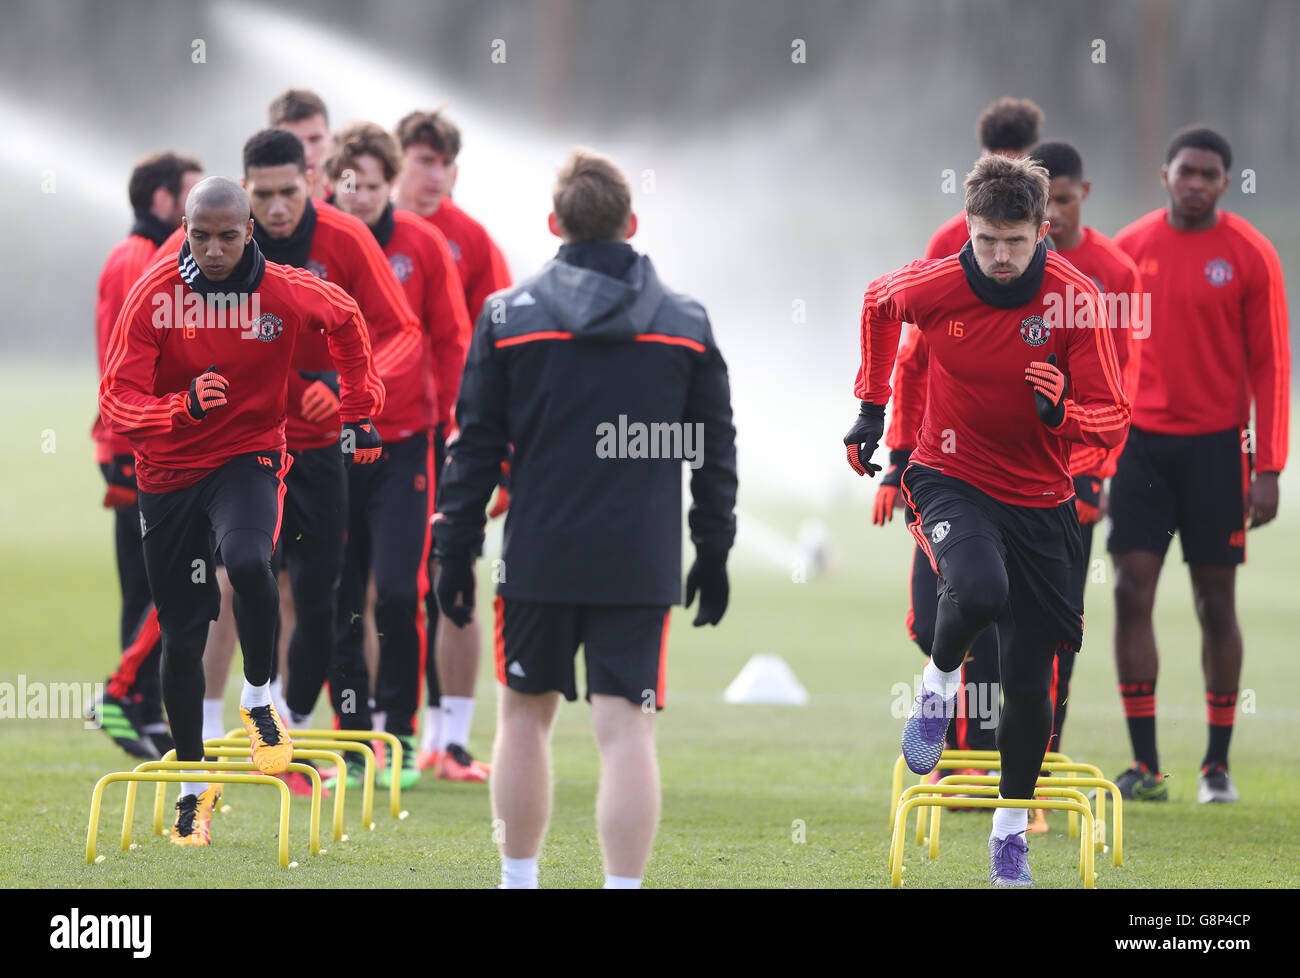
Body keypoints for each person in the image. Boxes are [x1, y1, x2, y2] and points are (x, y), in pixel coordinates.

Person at [433, 148, 737, 888]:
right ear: (631, 224)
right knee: (626, 728)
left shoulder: (506, 317)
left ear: (554, 224)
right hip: (640, 560)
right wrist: (713, 549)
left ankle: (518, 881)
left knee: (522, 718)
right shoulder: (687, 322)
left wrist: (453, 547)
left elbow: (474, 448)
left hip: (538, 553)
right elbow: (714, 449)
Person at [847, 153, 1129, 886]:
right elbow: (877, 303)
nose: (1000, 257)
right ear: (968, 228)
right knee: (977, 591)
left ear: (1044, 231)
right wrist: (871, 409)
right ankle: (937, 690)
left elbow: (1115, 417)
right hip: (951, 475)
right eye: (986, 240)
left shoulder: (1076, 300)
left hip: (1041, 499)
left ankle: (1010, 838)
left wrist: (1062, 414)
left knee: (1030, 682)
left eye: (1015, 241)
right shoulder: (938, 284)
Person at [99, 176, 384, 846]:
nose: (214, 249)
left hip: (248, 455)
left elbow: (346, 317)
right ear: (185, 231)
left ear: (250, 232)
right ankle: (191, 792)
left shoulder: (283, 289)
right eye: (200, 236)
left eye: (228, 236)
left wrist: (359, 409)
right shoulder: (154, 295)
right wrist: (181, 407)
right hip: (168, 472)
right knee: (182, 637)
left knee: (251, 561)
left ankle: (259, 699)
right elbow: (116, 401)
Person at [154, 131, 423, 790]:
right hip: (232, 453)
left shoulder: (345, 238)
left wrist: (346, 395)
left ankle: (291, 727)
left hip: (318, 450)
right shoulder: (203, 237)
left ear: (313, 182)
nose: (277, 208)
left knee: (320, 599)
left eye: (290, 193)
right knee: (230, 585)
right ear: (245, 192)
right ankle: (211, 736)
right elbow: (152, 328)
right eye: (264, 194)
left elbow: (400, 332)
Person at [1109, 126, 1290, 803]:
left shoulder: (1250, 254)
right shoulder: (1130, 249)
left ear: (1225, 183)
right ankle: (1147, 766)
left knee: (1215, 603)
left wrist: (1269, 467)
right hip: (1139, 447)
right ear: (1165, 176)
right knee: (1129, 591)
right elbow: (1099, 354)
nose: (1195, 184)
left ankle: (1216, 764)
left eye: (1209, 175)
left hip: (1219, 449)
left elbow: (1273, 364)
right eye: (1185, 171)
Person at [874, 97, 1045, 768]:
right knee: (945, 614)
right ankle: (959, 730)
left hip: (1037, 474)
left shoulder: (1071, 269)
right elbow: (914, 354)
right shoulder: (951, 243)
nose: (1001, 252)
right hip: (949, 463)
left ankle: (1005, 774)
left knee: (1028, 634)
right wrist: (897, 455)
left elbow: (1104, 384)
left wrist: (1092, 464)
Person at [324, 121, 472, 787]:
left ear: (392, 185)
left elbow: (452, 340)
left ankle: (402, 734)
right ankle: (353, 738)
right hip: (328, 448)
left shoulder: (422, 244)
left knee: (398, 592)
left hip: (406, 444)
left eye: (372, 185)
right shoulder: (317, 242)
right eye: (348, 184)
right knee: (340, 595)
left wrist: (459, 429)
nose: (358, 196)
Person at [393, 108, 512, 780]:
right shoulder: (365, 233)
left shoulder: (472, 240)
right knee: (385, 586)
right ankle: (390, 734)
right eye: (423, 160)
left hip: (455, 438)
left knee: (453, 575)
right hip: (381, 435)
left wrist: (502, 449)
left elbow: (505, 347)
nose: (435, 174)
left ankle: (453, 741)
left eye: (444, 163)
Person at [1028, 139, 1143, 759]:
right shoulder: (1010, 260)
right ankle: (977, 754)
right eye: (1043, 202)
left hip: (1076, 471)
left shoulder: (1116, 273)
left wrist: (1098, 467)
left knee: (1059, 623)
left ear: (1084, 194)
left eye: (1064, 201)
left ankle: (1042, 758)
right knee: (984, 613)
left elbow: (1124, 381)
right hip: (1003, 465)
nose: (1052, 214)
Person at [89, 150, 203, 761]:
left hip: (146, 441)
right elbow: (128, 366)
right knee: (154, 581)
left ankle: (145, 707)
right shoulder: (140, 259)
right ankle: (125, 696)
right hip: (140, 445)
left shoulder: (144, 255)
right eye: (190, 196)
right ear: (163, 200)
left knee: (161, 578)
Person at [268, 89, 333, 200]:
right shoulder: (251, 207)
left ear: (330, 139)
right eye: (292, 142)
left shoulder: (353, 198)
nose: (306, 153)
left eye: (315, 139)